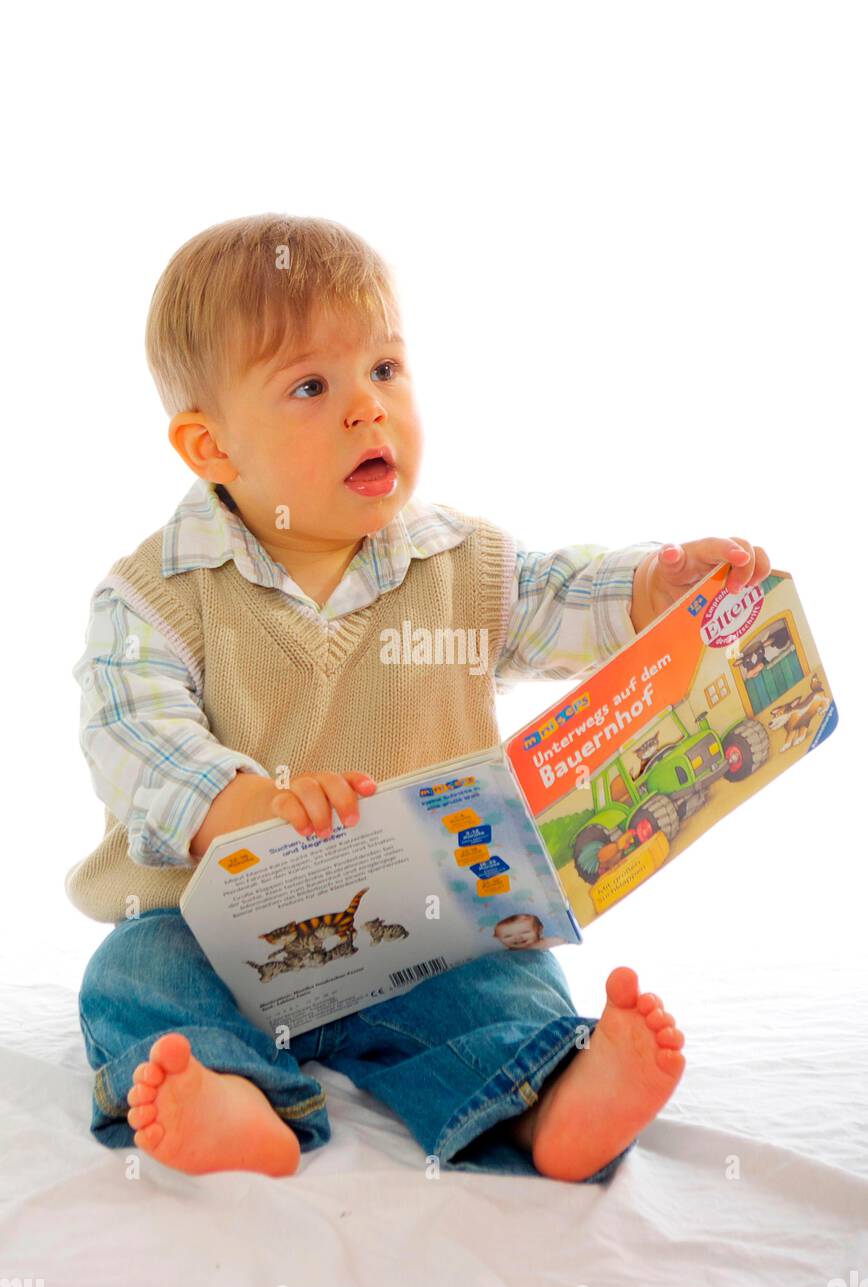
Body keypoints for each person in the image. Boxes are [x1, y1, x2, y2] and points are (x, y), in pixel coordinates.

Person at [69, 214, 769, 1183]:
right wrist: (252, 807)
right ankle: (234, 1098)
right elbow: (133, 738)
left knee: (507, 977)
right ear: (211, 446)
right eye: (311, 386)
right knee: (137, 975)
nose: (368, 409)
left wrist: (658, 588)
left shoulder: (457, 562)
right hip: (221, 926)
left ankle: (548, 1103)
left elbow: (560, 596)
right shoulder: (153, 596)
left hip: (421, 923)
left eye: (385, 370)